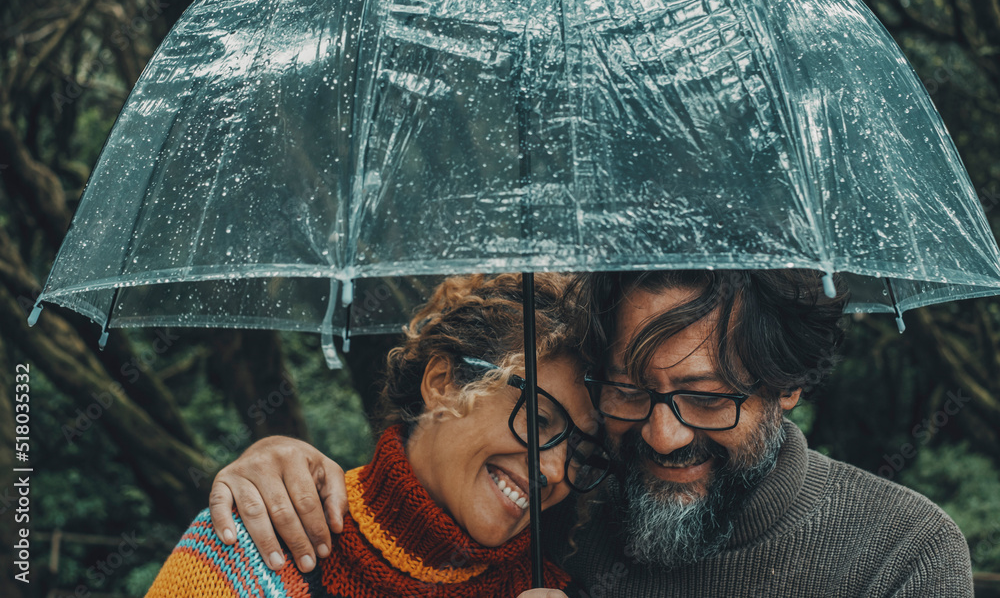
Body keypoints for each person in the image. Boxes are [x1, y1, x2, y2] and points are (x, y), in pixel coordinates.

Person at [211, 269, 975, 598]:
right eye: (632, 390)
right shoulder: (558, 524)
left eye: (707, 399)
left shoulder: (899, 553)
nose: (665, 436)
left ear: (788, 386)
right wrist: (271, 464)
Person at [144, 273, 611, 597]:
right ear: (443, 384)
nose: (554, 471)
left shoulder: (557, 587)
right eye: (539, 420)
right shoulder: (262, 543)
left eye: (580, 451)